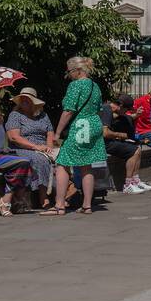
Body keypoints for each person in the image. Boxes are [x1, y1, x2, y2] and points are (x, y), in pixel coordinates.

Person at [49, 57, 107, 216]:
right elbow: (100, 109)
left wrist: (58, 132)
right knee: (86, 165)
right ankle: (87, 205)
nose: (68, 75)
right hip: (94, 125)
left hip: (80, 126)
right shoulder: (95, 86)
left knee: (62, 163)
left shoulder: (76, 85)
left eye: (69, 71)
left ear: (78, 70)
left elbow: (68, 111)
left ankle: (59, 205)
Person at [6, 87, 56, 211]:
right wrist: (36, 147)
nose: (24, 100)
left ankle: (63, 193)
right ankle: (44, 198)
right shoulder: (15, 115)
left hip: (43, 147)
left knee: (62, 157)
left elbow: (50, 132)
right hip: (22, 148)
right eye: (22, 98)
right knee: (39, 159)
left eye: (27, 99)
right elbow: (14, 138)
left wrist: (49, 146)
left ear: (34, 101)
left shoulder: (43, 115)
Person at [101, 94, 147, 194]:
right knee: (134, 150)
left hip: (107, 141)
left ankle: (135, 181)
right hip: (102, 143)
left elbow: (127, 116)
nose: (126, 112)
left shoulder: (111, 110)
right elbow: (105, 133)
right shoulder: (106, 110)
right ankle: (128, 184)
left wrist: (136, 115)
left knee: (137, 147)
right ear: (121, 105)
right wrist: (122, 135)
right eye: (126, 109)